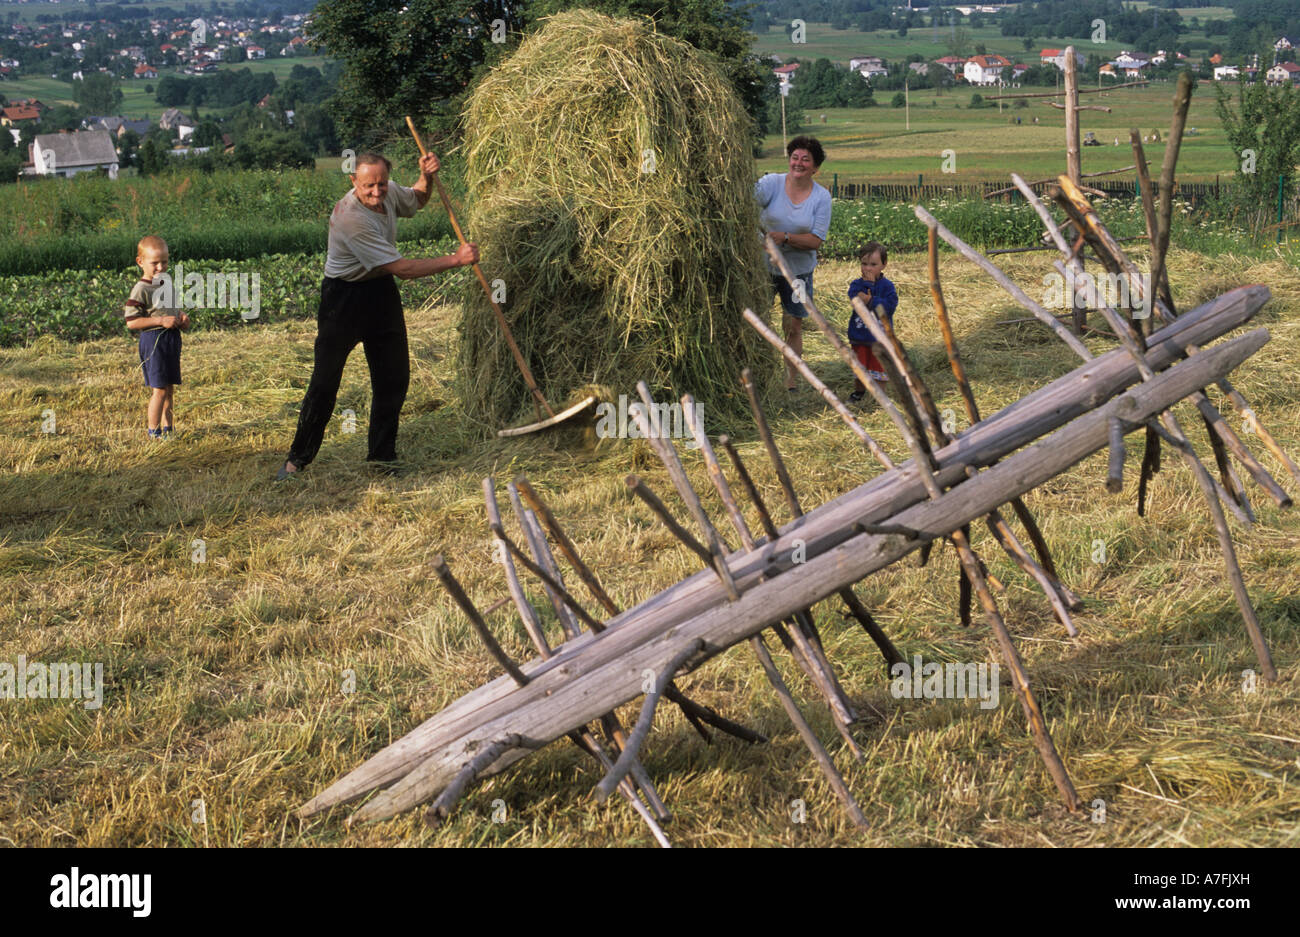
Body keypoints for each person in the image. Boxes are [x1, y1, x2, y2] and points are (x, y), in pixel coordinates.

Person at [277, 151, 478, 480]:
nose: (376, 192)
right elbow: (404, 269)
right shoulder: (351, 219)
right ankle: (296, 460)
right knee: (325, 383)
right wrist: (456, 260)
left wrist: (425, 176)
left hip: (380, 292)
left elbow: (418, 200)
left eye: (382, 184)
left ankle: (382, 457)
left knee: (393, 378)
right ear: (354, 181)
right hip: (342, 299)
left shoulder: (389, 190)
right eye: (368, 185)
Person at [755, 135, 831, 391]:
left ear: (815, 168)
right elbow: (742, 208)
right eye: (795, 157)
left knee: (793, 325)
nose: (798, 163)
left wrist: (784, 237)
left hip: (798, 274)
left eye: (805, 160)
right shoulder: (770, 184)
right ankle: (757, 376)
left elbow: (815, 240)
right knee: (757, 321)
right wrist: (761, 238)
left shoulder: (821, 198)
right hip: (762, 269)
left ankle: (790, 381)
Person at [124, 235, 189, 440]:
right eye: (155, 263)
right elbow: (132, 322)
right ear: (140, 262)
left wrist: (182, 319)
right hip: (154, 342)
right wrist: (161, 322)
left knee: (169, 389)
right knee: (159, 390)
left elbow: (171, 311)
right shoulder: (141, 289)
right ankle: (154, 432)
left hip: (171, 340)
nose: (161, 267)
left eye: (165, 262)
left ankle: (169, 428)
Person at [845, 241, 898, 404]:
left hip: (880, 336)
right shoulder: (856, 285)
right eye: (864, 264)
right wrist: (868, 286)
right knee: (860, 366)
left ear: (884, 265)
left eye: (873, 264)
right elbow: (855, 300)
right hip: (860, 334)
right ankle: (859, 392)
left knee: (879, 366)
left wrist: (870, 299)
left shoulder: (887, 286)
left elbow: (888, 307)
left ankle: (880, 396)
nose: (868, 268)